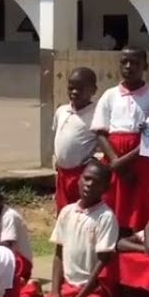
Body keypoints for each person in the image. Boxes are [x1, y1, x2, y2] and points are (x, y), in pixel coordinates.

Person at [27, 160, 120, 297]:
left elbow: (102, 265)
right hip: (67, 287)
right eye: (86, 178)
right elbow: (58, 254)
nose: (89, 184)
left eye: (96, 182)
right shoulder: (67, 212)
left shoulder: (106, 217)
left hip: (92, 289)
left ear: (105, 188)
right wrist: (55, 291)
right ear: (79, 179)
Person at [93, 47, 149, 231]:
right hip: (113, 158)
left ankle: (137, 237)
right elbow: (100, 132)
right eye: (124, 62)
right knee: (112, 201)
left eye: (134, 63)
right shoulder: (109, 95)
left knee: (140, 204)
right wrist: (116, 161)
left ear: (145, 66)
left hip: (142, 160)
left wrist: (125, 161)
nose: (128, 66)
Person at [52, 67, 99, 210]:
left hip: (81, 173)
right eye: (71, 88)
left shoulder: (96, 115)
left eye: (80, 89)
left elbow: (103, 142)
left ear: (93, 90)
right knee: (63, 210)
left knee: (79, 209)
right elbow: (58, 135)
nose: (74, 92)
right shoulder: (61, 111)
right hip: (62, 173)